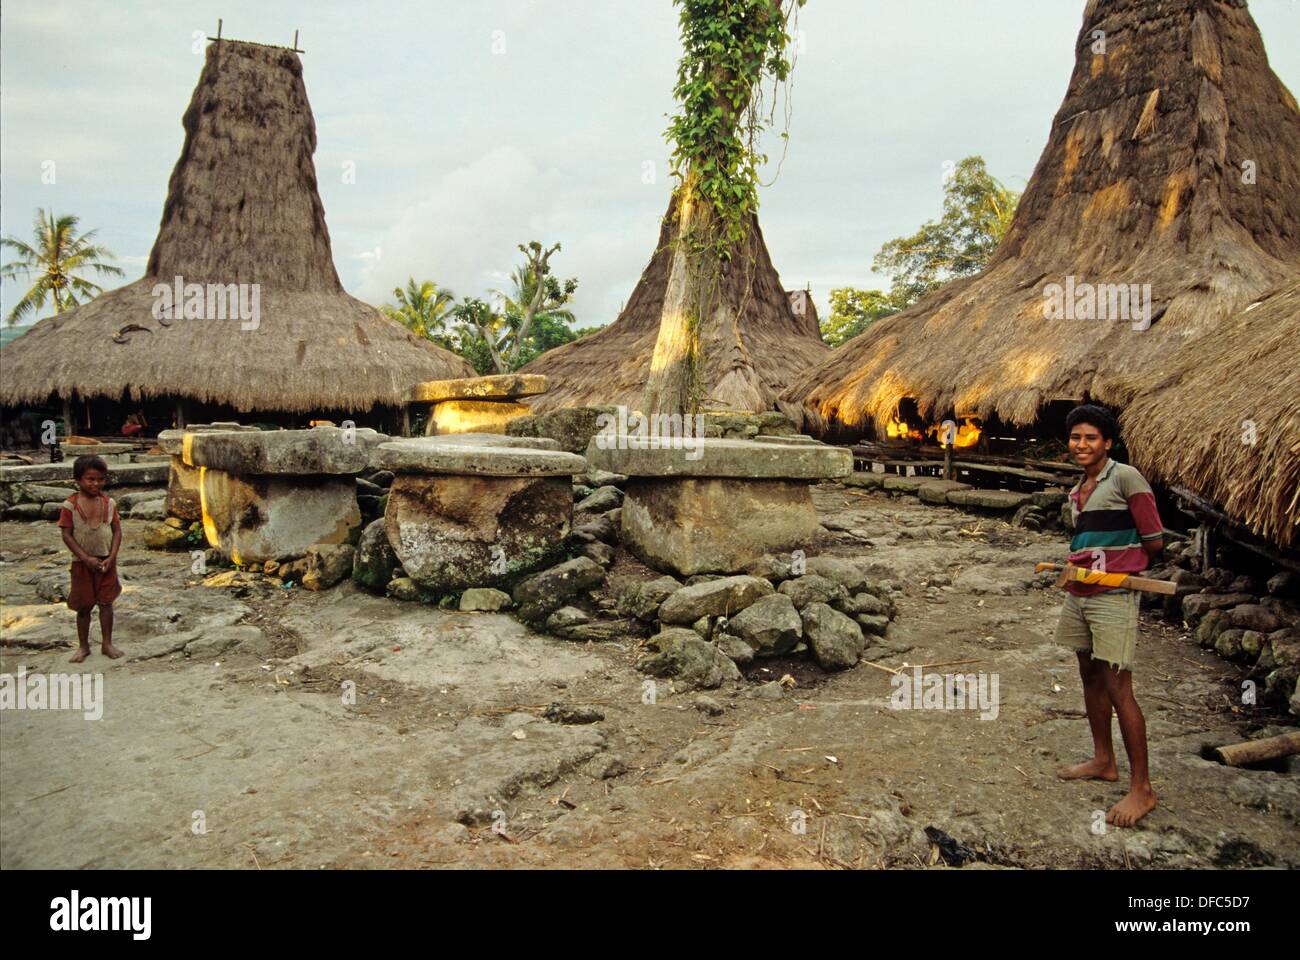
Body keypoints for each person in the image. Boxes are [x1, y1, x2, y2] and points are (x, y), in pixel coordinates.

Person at [1054, 404, 1163, 828]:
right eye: (1076, 438)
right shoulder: (1080, 486)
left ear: (1108, 443)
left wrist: (1121, 570)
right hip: (1078, 591)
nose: (1082, 445)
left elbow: (1153, 540)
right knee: (1088, 675)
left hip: (1112, 596)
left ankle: (1143, 788)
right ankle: (1103, 760)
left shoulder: (1126, 477)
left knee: (1120, 686)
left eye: (1091, 438)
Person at [57, 455, 123, 662]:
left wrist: (112, 556)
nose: (96, 483)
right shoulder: (70, 505)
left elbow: (117, 531)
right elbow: (66, 535)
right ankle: (84, 646)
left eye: (101, 479)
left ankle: (107, 643)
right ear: (78, 480)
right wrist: (85, 558)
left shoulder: (109, 503)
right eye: (90, 479)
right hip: (82, 564)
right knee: (84, 606)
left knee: (106, 603)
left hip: (106, 563)